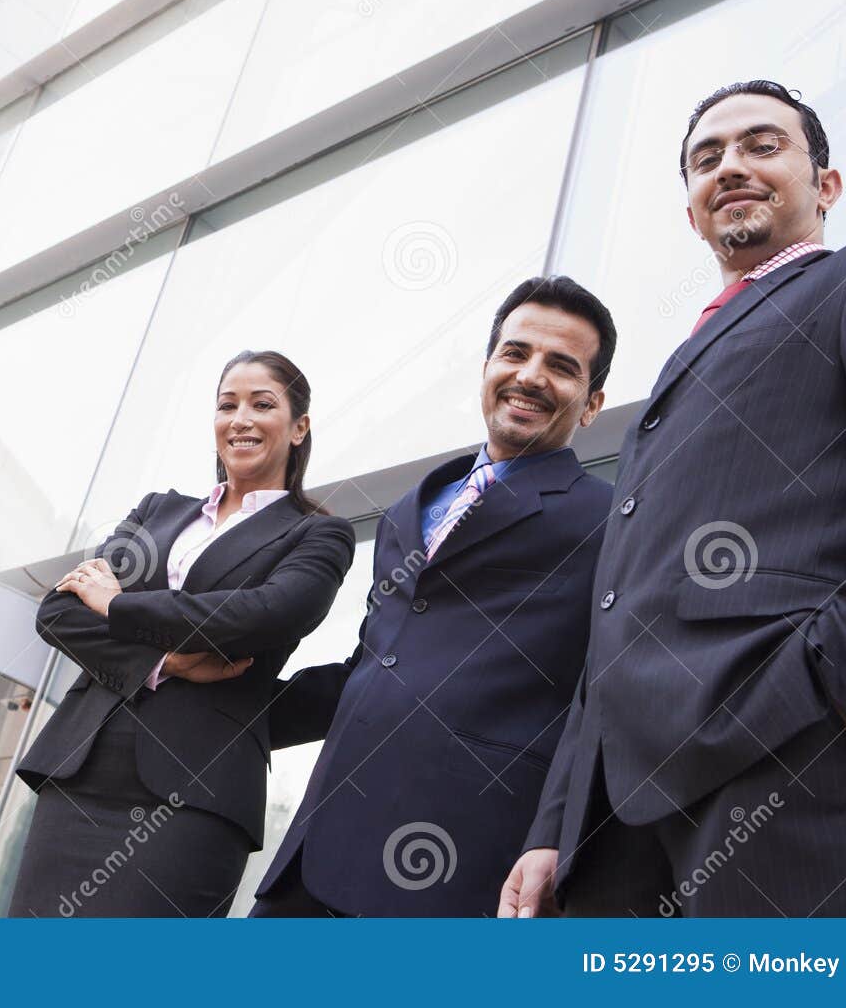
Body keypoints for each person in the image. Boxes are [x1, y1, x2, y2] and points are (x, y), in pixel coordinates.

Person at [500, 80, 846, 919]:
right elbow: (616, 614)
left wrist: (837, 690)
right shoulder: (676, 370)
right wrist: (552, 825)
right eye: (706, 159)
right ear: (691, 210)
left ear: (825, 186)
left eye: (762, 145)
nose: (731, 167)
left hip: (784, 763)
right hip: (612, 822)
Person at [251, 277, 616, 916]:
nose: (530, 376)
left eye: (561, 367)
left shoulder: (610, 521)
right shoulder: (404, 513)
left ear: (591, 405)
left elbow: (608, 693)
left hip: (457, 871)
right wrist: (222, 721)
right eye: (515, 353)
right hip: (313, 856)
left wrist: (557, 835)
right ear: (486, 370)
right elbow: (370, 668)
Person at [8, 350, 356, 917]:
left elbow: (265, 613)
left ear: (299, 428)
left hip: (196, 792)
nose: (240, 418)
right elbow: (60, 613)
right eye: (227, 405)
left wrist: (118, 605)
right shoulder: (158, 512)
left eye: (262, 404)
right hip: (81, 774)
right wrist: (164, 662)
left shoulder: (318, 535)